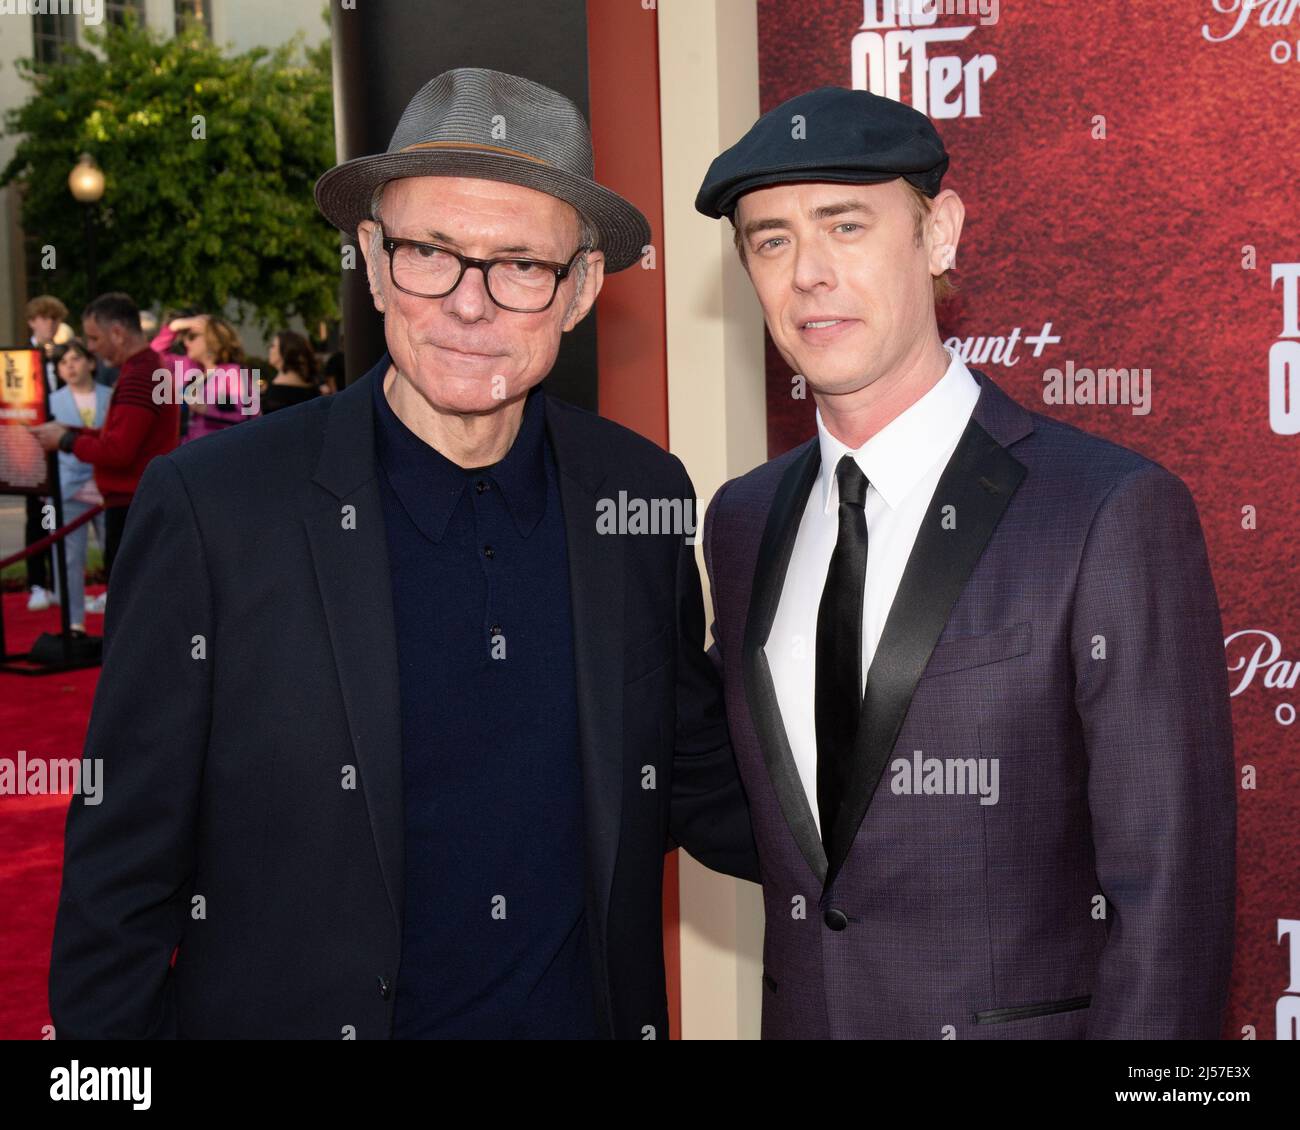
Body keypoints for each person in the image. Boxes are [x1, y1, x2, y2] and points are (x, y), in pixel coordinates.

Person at [48, 67, 758, 1040]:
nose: (470, 305)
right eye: (432, 252)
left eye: (520, 264)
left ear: (581, 287)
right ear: (375, 260)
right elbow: (119, 870)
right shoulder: (217, 507)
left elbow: (688, 772)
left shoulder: (638, 493)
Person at [694, 86, 1236, 1039]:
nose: (808, 273)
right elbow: (791, 832)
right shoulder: (741, 522)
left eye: (845, 224)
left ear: (938, 234)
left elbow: (1172, 895)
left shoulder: (1106, 511)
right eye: (770, 240)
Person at [27, 292, 181, 590]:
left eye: (94, 338)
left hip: (131, 504)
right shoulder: (145, 367)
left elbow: (119, 450)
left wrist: (67, 440)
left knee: (132, 599)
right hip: (138, 499)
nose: (91, 348)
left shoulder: (141, 374)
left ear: (118, 333)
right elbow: (119, 438)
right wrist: (70, 432)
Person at [46, 340, 111, 632]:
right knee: (71, 558)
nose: (69, 366)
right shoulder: (51, 402)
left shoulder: (112, 396)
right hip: (67, 486)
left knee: (117, 552)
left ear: (91, 363)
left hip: (106, 486)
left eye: (75, 358)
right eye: (63, 362)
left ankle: (119, 615)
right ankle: (74, 622)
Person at [21, 294, 68, 611]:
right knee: (37, 517)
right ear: (32, 321)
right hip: (30, 447)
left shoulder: (67, 355)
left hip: (63, 445)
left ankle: (61, 582)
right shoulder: (21, 358)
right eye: (43, 318)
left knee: (65, 516)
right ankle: (37, 582)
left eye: (55, 319)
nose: (49, 324)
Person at [151, 313, 260, 440]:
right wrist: (174, 327)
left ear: (212, 339)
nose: (186, 341)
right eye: (185, 336)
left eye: (192, 336)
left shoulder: (235, 372)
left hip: (216, 452)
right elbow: (153, 357)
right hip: (186, 450)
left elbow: (250, 417)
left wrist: (207, 410)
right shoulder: (188, 367)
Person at [261, 330, 322, 413]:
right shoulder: (313, 390)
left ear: (285, 351)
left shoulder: (277, 394)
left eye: (273, 346)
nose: (269, 349)